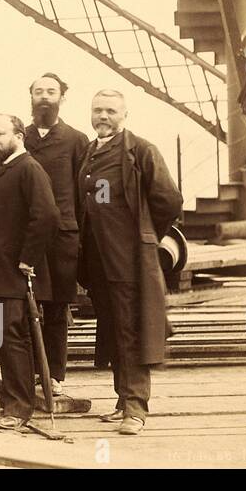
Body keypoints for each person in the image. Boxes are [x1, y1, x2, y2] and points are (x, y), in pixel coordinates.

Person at [78, 89, 182, 436]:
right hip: (98, 261)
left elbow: (168, 199)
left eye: (110, 110)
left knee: (132, 329)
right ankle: (122, 400)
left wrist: (146, 236)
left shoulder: (140, 151)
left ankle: (136, 408)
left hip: (128, 260)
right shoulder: (91, 152)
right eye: (97, 110)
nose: (103, 116)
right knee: (112, 328)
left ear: (125, 115)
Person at [0, 114, 58, 430]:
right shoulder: (6, 170)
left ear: (18, 136)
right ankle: (9, 399)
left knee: (13, 338)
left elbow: (46, 216)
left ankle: (19, 408)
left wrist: (27, 259)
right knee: (3, 339)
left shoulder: (29, 169)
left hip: (12, 274)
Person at [24, 72, 90, 397]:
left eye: (51, 91)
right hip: (26, 235)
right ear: (31, 97)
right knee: (24, 304)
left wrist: (79, 235)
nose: (45, 97)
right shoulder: (20, 137)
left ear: (62, 97)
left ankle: (54, 376)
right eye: (39, 92)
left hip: (63, 235)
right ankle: (27, 374)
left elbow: (85, 193)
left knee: (57, 307)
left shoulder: (76, 140)